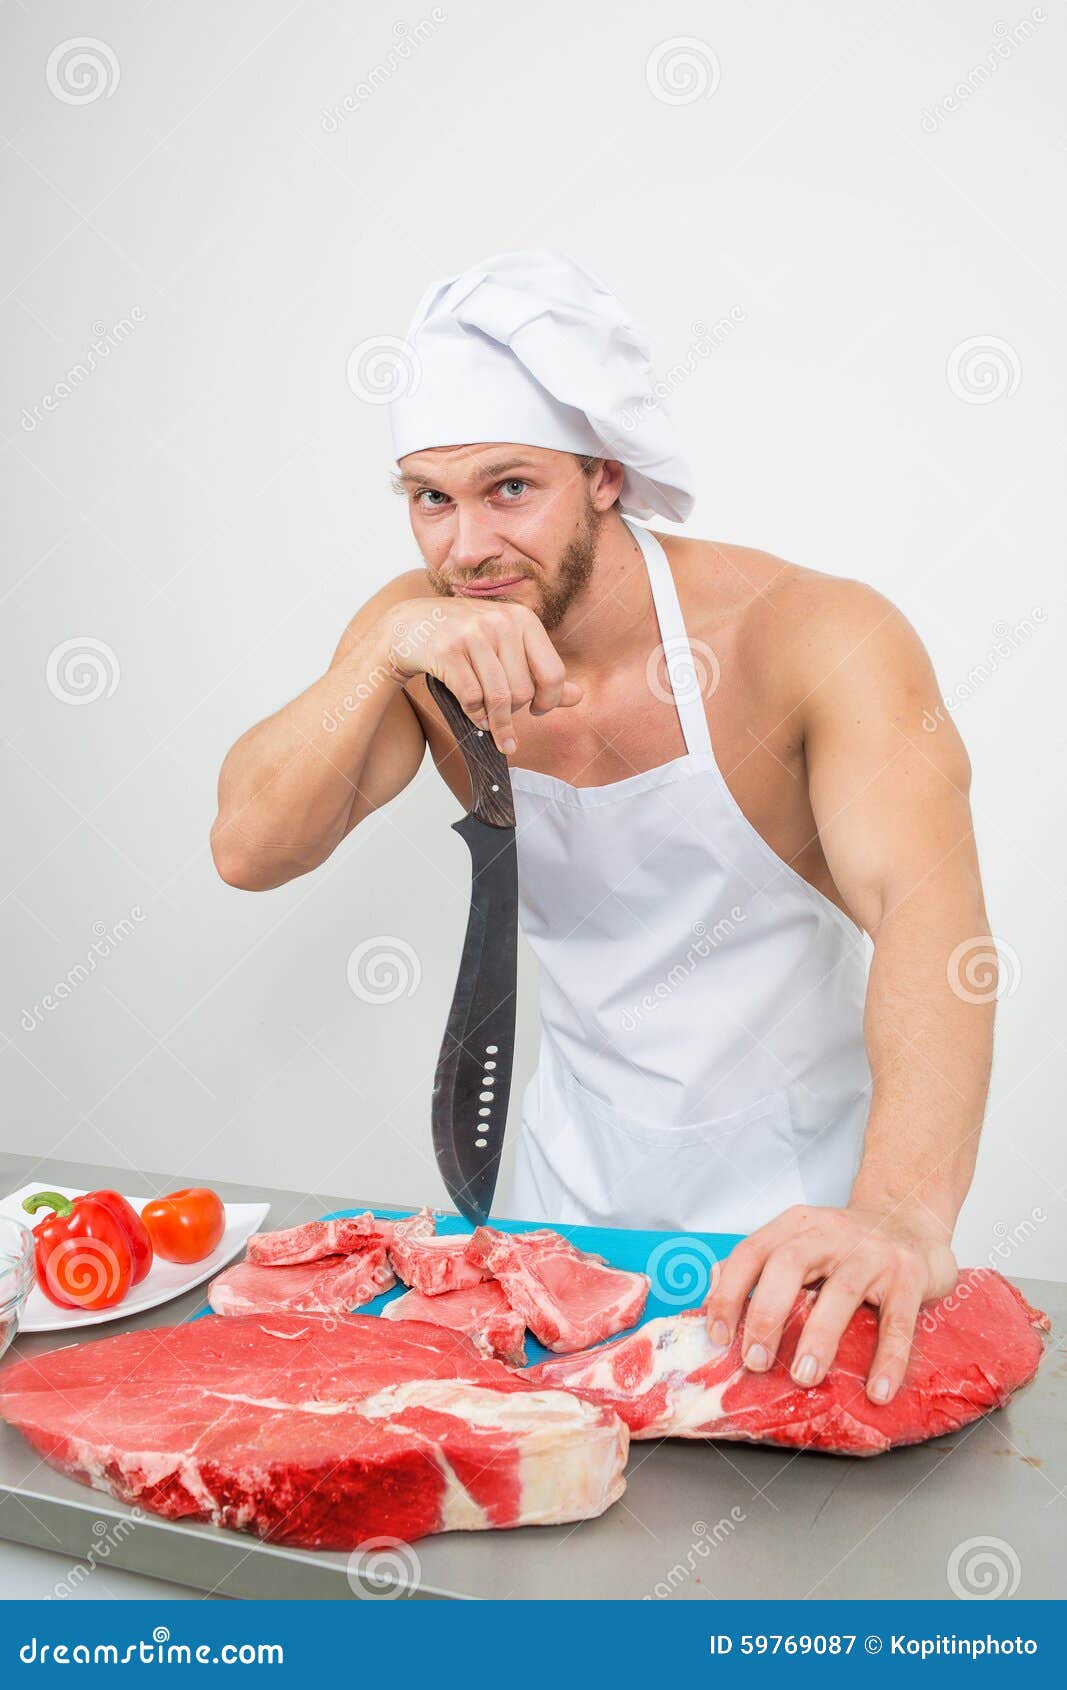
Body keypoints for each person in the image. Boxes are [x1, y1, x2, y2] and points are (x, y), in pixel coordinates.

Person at [211, 251, 992, 1406]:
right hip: (561, 1202)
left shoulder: (808, 634)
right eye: (430, 497)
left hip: (803, 1212)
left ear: (607, 476)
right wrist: (378, 651)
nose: (464, 545)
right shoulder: (426, 630)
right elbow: (251, 846)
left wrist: (898, 1209)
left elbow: (928, 917)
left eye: (508, 488)